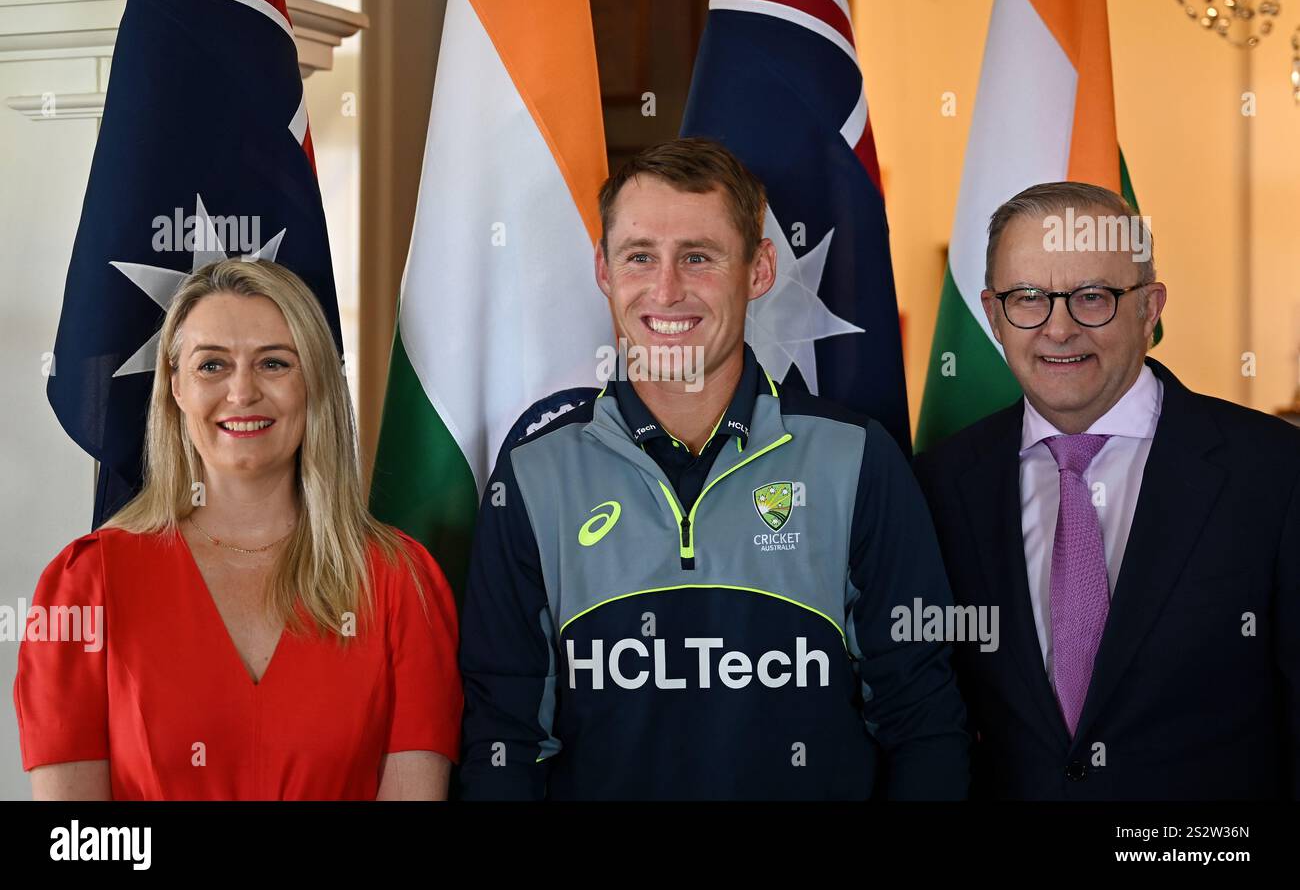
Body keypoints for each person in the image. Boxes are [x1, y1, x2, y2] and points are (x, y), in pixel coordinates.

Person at [458, 137, 969, 799]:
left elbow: (922, 721)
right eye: (640, 256)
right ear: (604, 271)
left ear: (758, 270)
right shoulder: (534, 476)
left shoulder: (858, 458)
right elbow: (504, 736)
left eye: (698, 257)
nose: (666, 290)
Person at [15, 259, 463, 799]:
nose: (242, 391)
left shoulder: (399, 583)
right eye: (212, 366)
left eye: (274, 363)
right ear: (174, 388)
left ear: (315, 382)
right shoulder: (84, 585)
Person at [913, 181, 1300, 799]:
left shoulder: (1276, 474)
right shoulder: (937, 484)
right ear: (991, 314)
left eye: (1093, 298)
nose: (1058, 329)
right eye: (1028, 298)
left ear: (1151, 307)